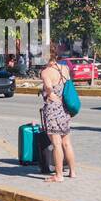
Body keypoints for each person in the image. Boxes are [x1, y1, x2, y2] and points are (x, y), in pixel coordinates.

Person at [39, 46, 77, 181]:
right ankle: (72, 172)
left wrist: (50, 94)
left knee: (56, 143)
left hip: (53, 109)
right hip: (65, 109)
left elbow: (49, 88)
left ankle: (59, 175)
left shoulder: (45, 72)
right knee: (66, 142)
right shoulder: (65, 68)